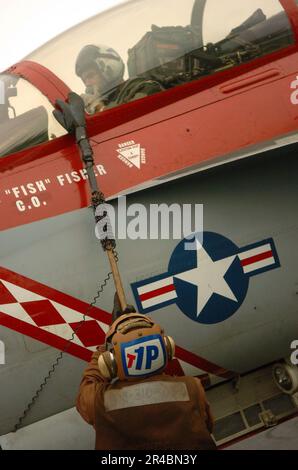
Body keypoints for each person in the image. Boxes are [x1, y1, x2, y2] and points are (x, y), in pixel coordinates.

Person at [76, 295, 217, 450]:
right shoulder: (192, 388)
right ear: (166, 348)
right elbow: (208, 426)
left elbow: (85, 393)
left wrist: (104, 349)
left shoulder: (102, 402)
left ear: (111, 362)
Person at [75, 44, 164, 114]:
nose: (87, 84)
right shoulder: (102, 103)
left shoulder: (145, 87)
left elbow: (129, 122)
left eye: (90, 76)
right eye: (84, 80)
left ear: (110, 68)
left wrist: (97, 107)